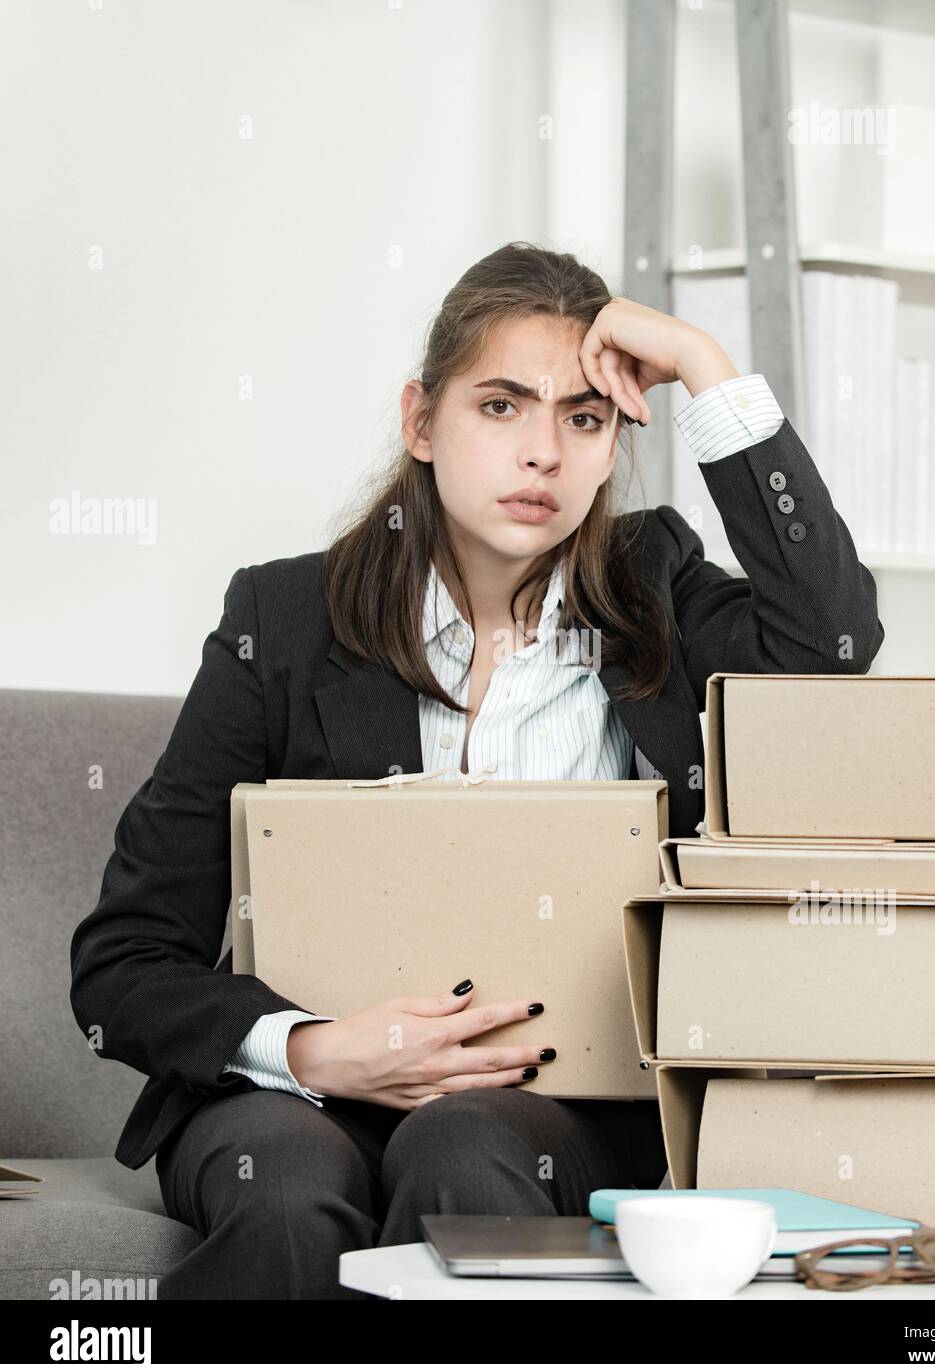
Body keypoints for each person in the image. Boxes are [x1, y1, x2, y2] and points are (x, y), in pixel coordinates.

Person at [69, 241, 884, 1299]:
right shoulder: (281, 620)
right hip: (300, 1098)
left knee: (463, 1148)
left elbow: (830, 641)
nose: (543, 453)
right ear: (421, 422)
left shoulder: (658, 592)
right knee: (282, 1191)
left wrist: (703, 364)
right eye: (501, 407)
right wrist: (316, 1051)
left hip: (559, 1107)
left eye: (582, 418)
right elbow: (127, 957)